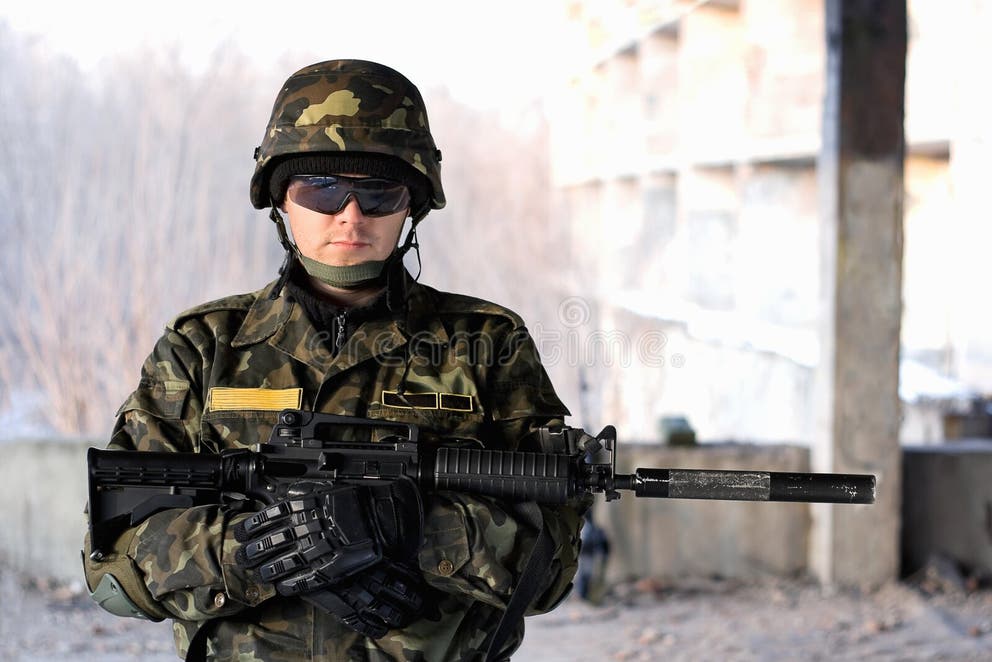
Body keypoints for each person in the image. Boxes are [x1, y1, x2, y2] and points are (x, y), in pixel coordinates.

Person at [81, 59, 588, 661]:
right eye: (320, 189)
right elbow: (114, 573)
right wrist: (259, 548)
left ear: (412, 205)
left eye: (378, 191)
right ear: (280, 200)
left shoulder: (486, 342)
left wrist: (413, 530)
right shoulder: (204, 347)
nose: (350, 215)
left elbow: (550, 571)